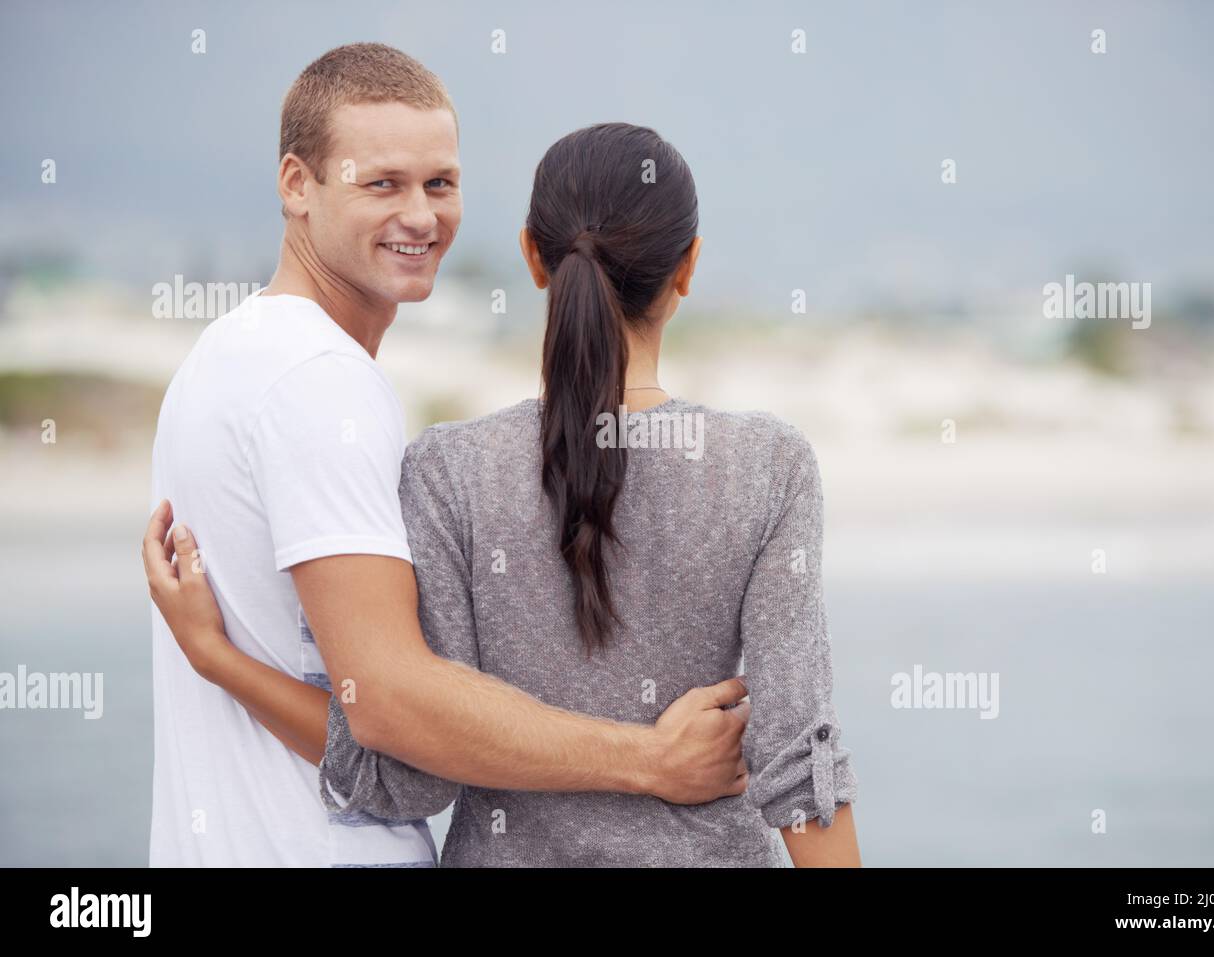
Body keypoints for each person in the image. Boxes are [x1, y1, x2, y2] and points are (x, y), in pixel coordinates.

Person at [147, 119, 861, 866]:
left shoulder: (449, 469)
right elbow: (798, 766)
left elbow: (406, 771)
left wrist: (218, 655)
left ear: (533, 257)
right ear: (687, 267)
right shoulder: (769, 467)